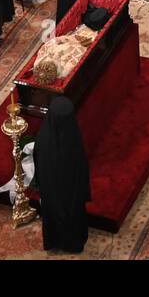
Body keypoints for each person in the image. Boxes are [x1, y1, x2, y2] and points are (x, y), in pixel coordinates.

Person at [34, 97, 91, 253]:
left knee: (54, 214)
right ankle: (73, 243)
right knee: (72, 214)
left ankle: (54, 241)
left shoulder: (44, 137)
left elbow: (38, 164)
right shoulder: (72, 137)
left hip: (50, 190)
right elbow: (82, 166)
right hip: (72, 191)